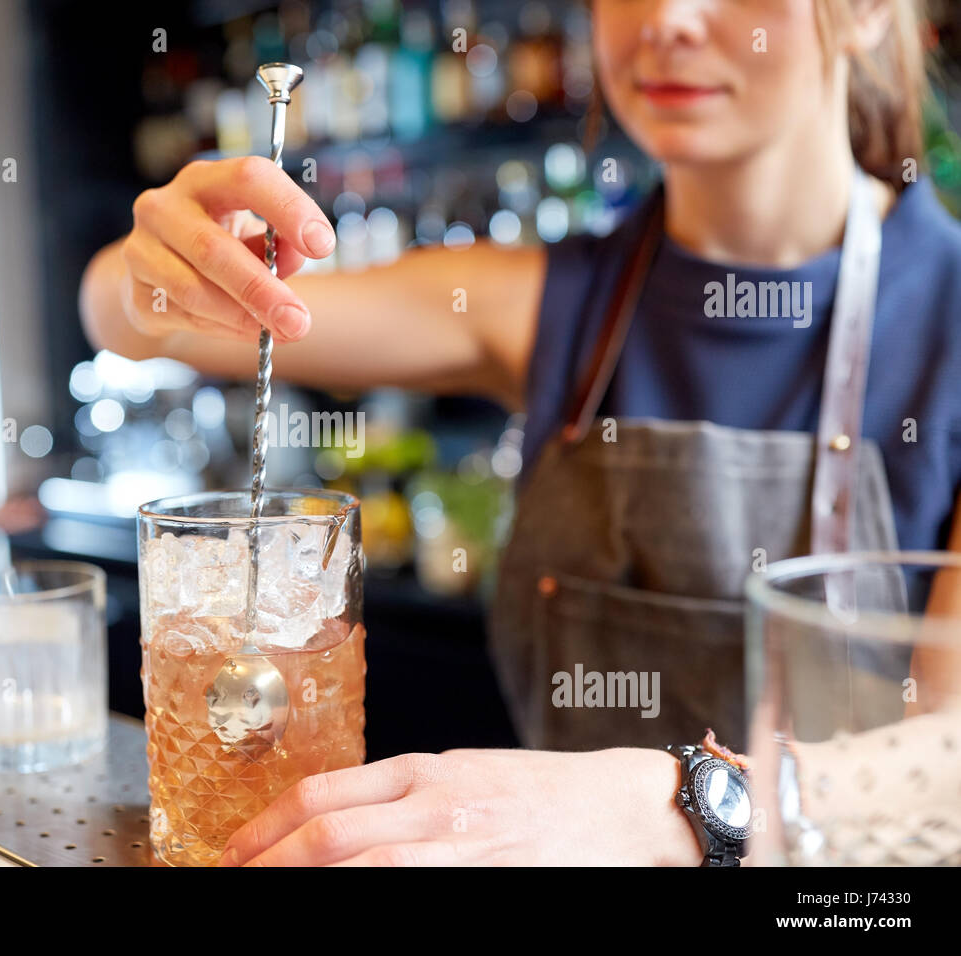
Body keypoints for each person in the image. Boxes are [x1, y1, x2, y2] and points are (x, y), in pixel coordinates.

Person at [82, 0, 961, 864]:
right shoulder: (541, 300)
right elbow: (121, 314)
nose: (669, 19)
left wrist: (673, 809)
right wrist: (157, 271)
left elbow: (946, 762)